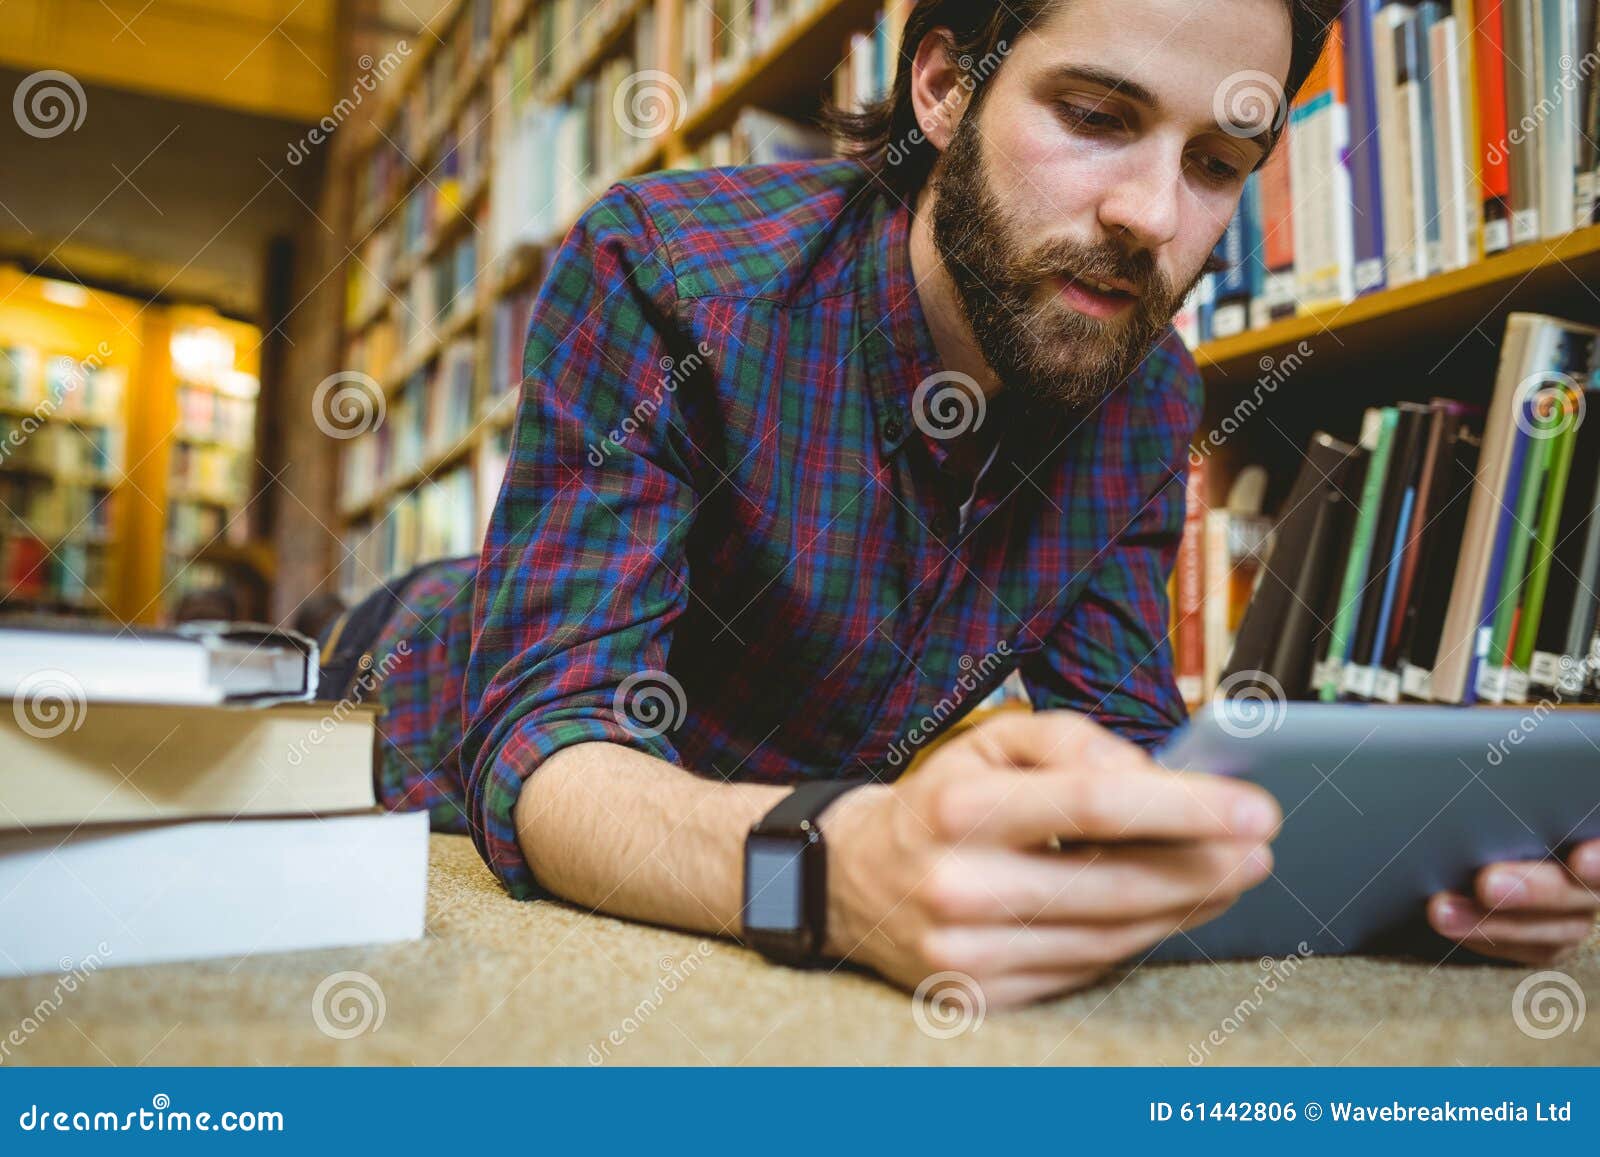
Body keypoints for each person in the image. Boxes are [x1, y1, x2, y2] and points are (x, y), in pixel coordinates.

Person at [461, 0, 1600, 1006]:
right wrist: (828, 869)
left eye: (1215, 162)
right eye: (1098, 117)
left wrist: (1410, 877)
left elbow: (1127, 739)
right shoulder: (662, 269)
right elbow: (545, 742)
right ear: (945, 86)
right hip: (440, 680)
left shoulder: (1146, 388)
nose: (1151, 215)